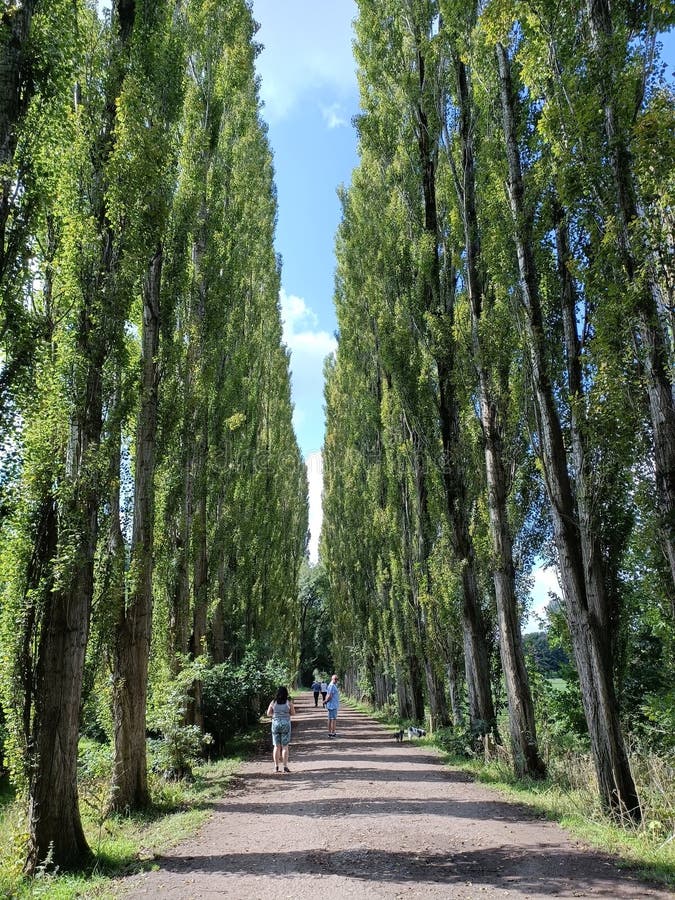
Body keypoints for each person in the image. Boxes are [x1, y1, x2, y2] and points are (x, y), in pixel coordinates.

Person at [266, 686, 296, 773]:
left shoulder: (273, 702)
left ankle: (276, 766)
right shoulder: (288, 702)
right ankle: (285, 766)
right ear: (286, 693)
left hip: (275, 724)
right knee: (285, 746)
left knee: (276, 746)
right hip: (286, 724)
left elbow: (268, 713)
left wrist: (275, 714)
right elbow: (293, 713)